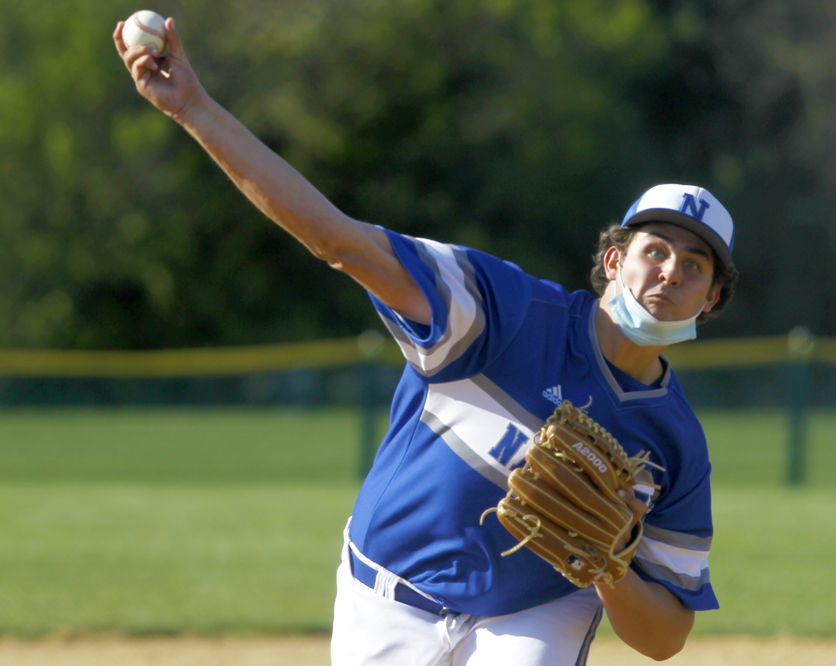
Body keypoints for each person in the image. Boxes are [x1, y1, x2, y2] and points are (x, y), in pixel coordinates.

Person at [114, 17, 738, 665]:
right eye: (655, 250)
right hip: (387, 587)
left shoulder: (675, 443)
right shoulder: (505, 311)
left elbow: (665, 639)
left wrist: (608, 567)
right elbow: (337, 240)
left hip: (535, 610)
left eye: (695, 265)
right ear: (613, 261)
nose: (669, 272)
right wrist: (193, 107)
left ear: (713, 297)